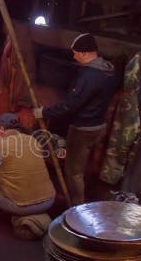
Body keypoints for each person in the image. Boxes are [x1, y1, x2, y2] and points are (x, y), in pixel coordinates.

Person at [33, 33, 117, 206]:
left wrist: (44, 112)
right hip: (98, 126)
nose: (74, 56)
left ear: (86, 53)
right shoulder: (107, 71)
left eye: (76, 52)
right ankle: (84, 200)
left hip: (83, 130)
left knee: (73, 172)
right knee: (85, 167)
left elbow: (71, 105)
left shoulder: (88, 75)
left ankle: (76, 208)